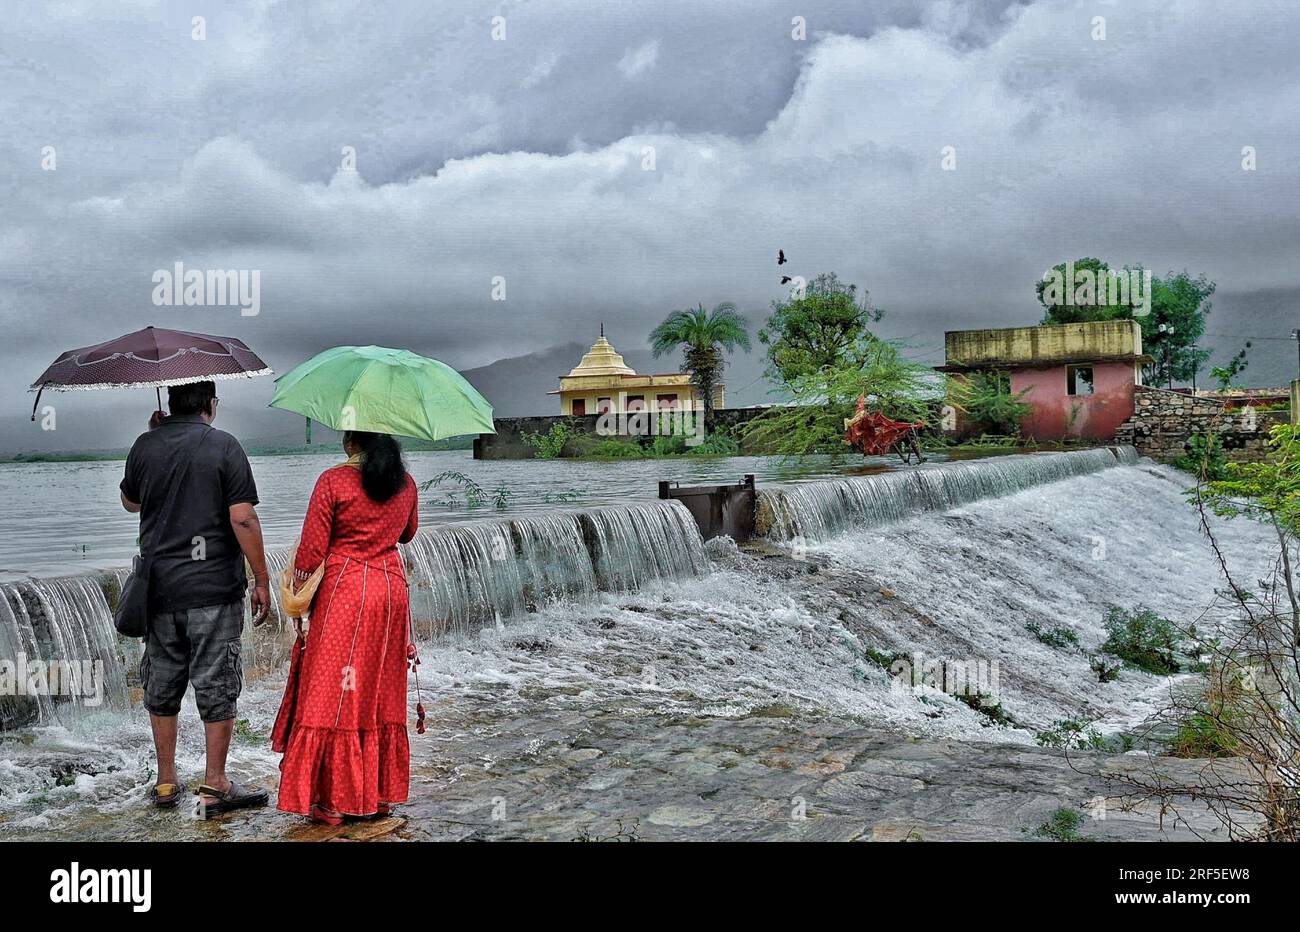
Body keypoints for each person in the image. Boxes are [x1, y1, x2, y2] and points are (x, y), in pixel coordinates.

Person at [119, 380, 271, 815]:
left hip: (159, 590)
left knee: (162, 683)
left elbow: (130, 502)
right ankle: (216, 784)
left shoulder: (144, 445)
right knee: (216, 681)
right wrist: (260, 576)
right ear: (209, 404)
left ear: (169, 405)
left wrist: (152, 437)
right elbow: (242, 518)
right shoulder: (224, 445)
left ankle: (167, 783)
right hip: (213, 589)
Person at [273, 430, 419, 824]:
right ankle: (378, 795)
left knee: (332, 692)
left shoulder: (333, 481)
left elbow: (311, 551)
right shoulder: (404, 483)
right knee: (378, 690)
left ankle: (335, 802)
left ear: (352, 440)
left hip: (346, 592)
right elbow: (407, 533)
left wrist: (297, 596)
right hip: (390, 591)